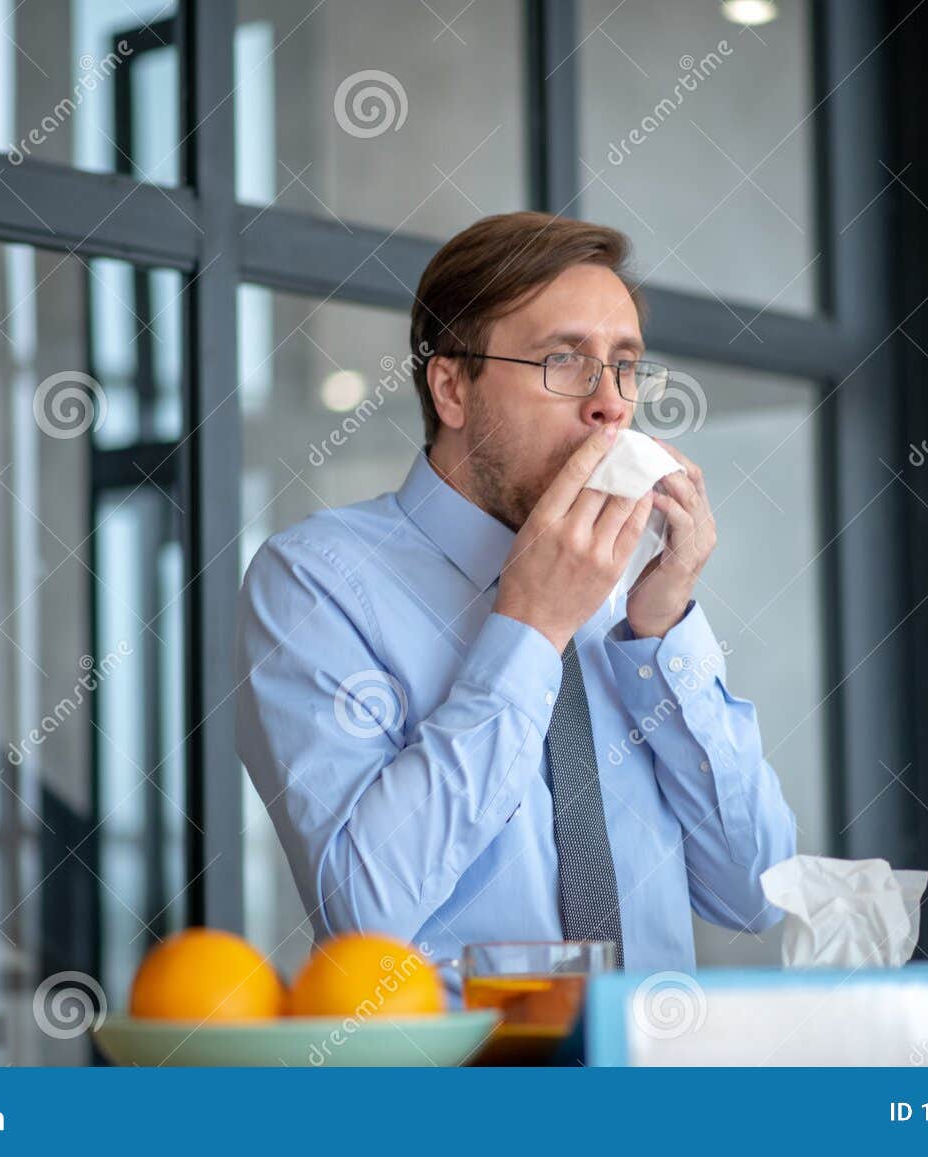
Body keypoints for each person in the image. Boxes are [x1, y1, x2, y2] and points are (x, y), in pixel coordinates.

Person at [235, 211, 796, 979]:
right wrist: (531, 627)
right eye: (565, 360)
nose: (611, 404)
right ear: (452, 386)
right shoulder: (312, 580)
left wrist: (665, 630)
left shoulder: (634, 597)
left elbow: (756, 894)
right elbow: (366, 915)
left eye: (626, 366)